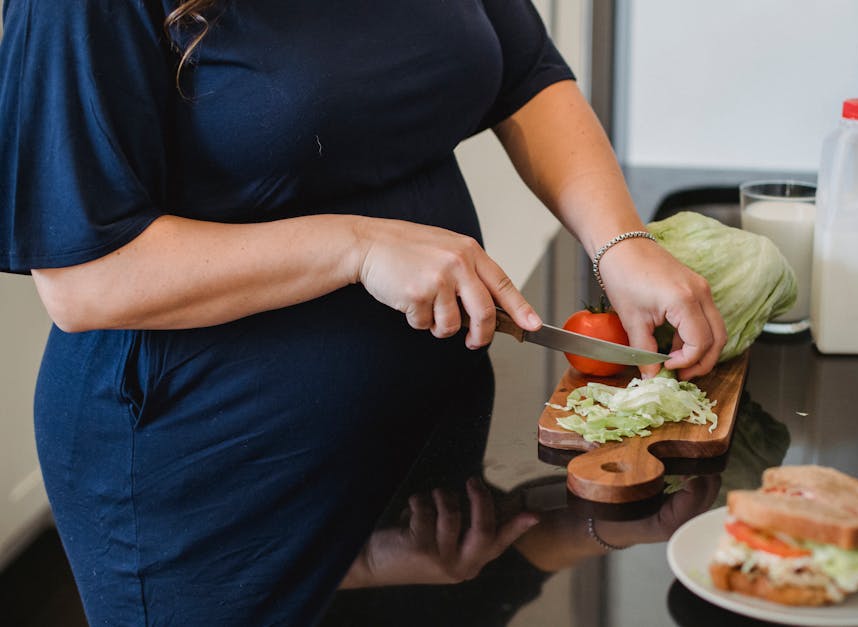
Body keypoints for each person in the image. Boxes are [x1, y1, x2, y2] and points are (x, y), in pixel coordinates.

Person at [0, 0, 727, 623]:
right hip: (213, 488)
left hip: (425, 464)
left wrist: (621, 243)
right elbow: (83, 277)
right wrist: (357, 246)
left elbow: (524, 71)